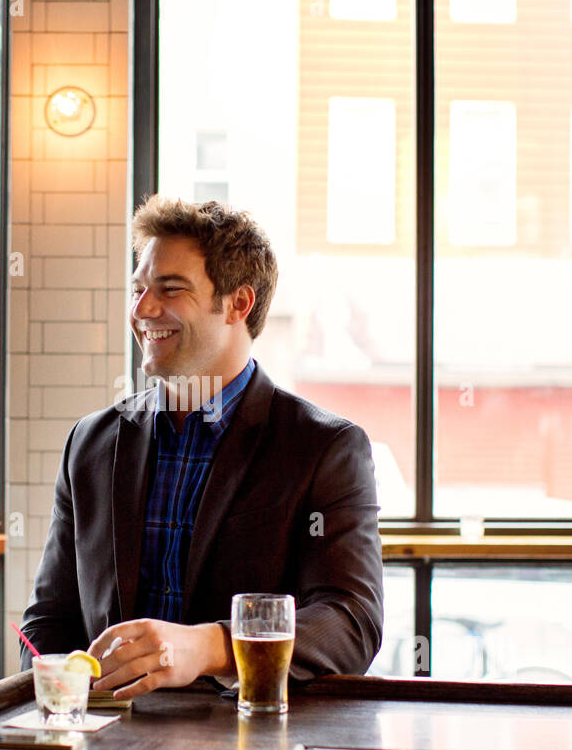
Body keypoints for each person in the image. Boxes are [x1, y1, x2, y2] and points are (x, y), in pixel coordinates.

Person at [20, 197, 384, 698]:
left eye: (169, 290)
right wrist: (63, 696)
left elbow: (350, 622)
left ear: (239, 304)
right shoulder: (91, 442)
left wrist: (210, 647)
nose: (142, 309)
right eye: (139, 289)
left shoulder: (324, 448)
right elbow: (48, 619)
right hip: (107, 748)